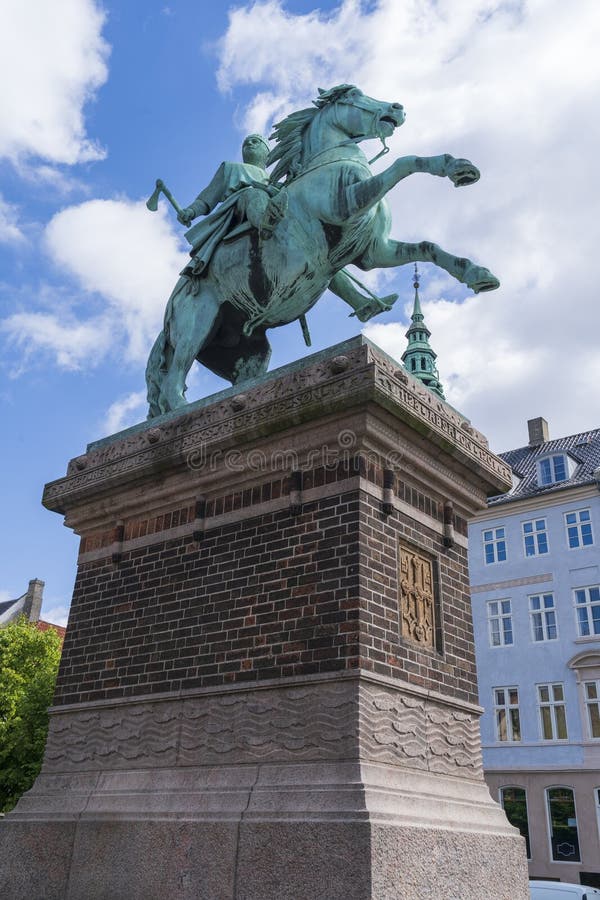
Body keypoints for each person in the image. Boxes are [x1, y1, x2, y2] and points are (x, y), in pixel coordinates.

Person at [178, 134, 397, 323]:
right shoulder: (230, 168)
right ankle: (265, 224)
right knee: (253, 194)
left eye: (256, 142)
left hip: (277, 212)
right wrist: (191, 211)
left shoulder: (271, 178)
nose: (250, 144)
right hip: (240, 209)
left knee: (323, 257)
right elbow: (207, 198)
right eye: (247, 142)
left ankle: (359, 303)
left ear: (266, 152)